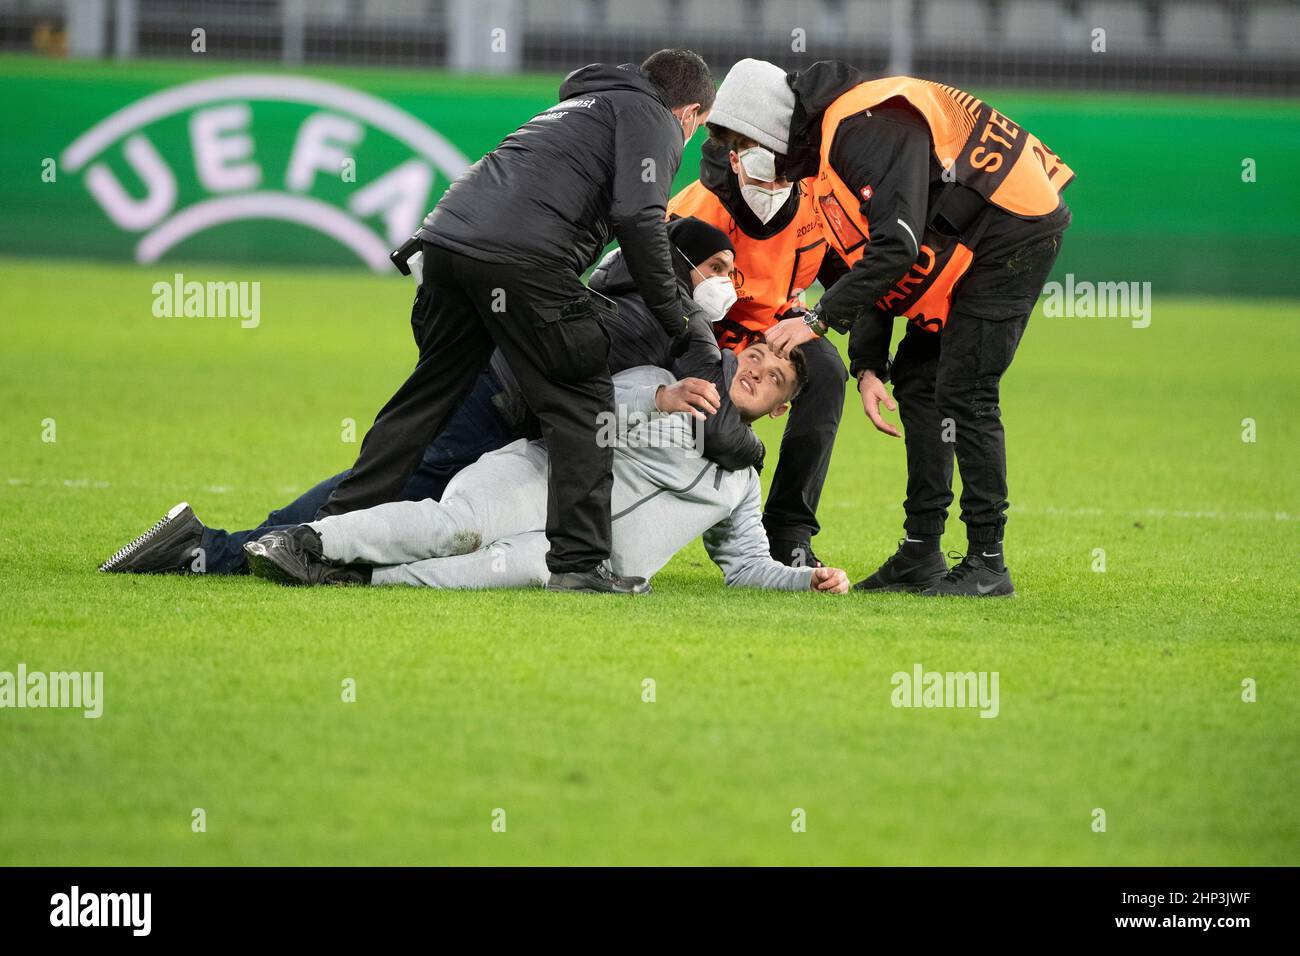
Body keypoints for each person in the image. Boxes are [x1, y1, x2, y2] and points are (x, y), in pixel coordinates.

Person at [313, 50, 714, 595]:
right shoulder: (654, 117)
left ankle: (332, 534)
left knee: (429, 395)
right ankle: (579, 564)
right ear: (690, 113)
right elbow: (639, 218)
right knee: (580, 396)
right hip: (522, 258)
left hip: (445, 245)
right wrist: (673, 315)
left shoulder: (580, 107)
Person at [734, 60, 1074, 597]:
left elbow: (896, 244)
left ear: (773, 126)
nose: (749, 162)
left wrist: (818, 320)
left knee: (966, 389)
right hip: (972, 231)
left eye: (747, 143)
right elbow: (865, 258)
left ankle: (987, 562)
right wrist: (869, 365)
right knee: (919, 377)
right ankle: (922, 550)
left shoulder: (862, 125)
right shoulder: (833, 143)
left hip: (1011, 230)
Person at [243, 347, 851, 597]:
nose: (758, 370)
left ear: (780, 408)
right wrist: (653, 403)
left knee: (519, 570)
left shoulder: (740, 484)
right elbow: (579, 413)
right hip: (537, 482)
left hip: (578, 555)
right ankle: (306, 539)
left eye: (775, 377)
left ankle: (356, 578)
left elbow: (744, 565)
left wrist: (810, 581)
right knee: (460, 525)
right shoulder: (667, 384)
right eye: (757, 356)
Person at [666, 58, 851, 570]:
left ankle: (788, 530)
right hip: (695, 331)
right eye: (760, 168)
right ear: (734, 156)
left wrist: (873, 359)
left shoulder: (820, 198)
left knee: (829, 372)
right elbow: (647, 298)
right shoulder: (695, 212)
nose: (772, 187)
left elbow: (851, 276)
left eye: (783, 171)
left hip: (776, 328)